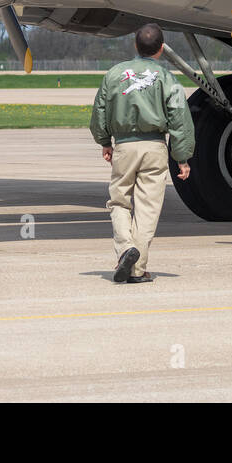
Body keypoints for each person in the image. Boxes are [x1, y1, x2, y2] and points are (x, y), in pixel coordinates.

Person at [89, 23, 195, 284]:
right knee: (148, 208)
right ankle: (138, 269)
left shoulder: (114, 74)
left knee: (118, 201)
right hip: (155, 147)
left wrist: (104, 141)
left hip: (124, 146)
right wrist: (182, 157)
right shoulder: (167, 78)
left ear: (135, 46)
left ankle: (126, 248)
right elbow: (180, 118)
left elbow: (99, 111)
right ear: (161, 49)